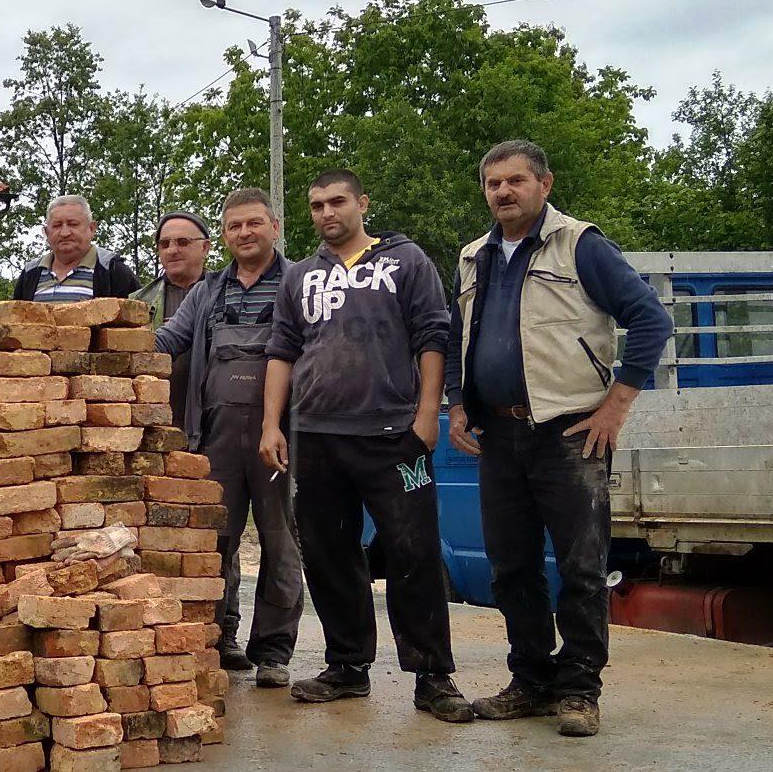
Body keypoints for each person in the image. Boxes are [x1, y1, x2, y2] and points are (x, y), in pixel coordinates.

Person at [446, 140, 670, 739]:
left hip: (569, 433)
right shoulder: (475, 257)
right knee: (510, 566)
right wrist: (459, 403)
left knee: (581, 567)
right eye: (493, 183)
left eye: (515, 181)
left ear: (545, 183)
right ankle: (532, 682)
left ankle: (579, 690)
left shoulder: (581, 245)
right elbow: (455, 334)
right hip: (498, 431)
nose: (503, 192)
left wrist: (615, 406)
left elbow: (651, 319)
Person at [259, 169, 471, 723]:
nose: (327, 213)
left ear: (362, 203)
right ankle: (348, 667)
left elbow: (433, 335)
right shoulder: (299, 276)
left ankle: (432, 676)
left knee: (413, 553)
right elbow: (281, 350)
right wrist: (271, 424)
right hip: (317, 436)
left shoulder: (405, 262)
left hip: (392, 436)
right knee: (329, 557)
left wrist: (428, 416)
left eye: (337, 202)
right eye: (316, 205)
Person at [155, 189, 303, 685]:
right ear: (224, 234)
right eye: (235, 226)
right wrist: (105, 336)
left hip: (279, 435)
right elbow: (169, 340)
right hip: (215, 433)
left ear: (274, 227)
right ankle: (213, 638)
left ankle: (275, 653)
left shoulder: (299, 284)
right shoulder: (207, 292)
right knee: (215, 540)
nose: (245, 233)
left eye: (254, 224)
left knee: (280, 540)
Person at [134, 210, 213, 427]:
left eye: (182, 242)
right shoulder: (136, 303)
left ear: (205, 247)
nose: (172, 250)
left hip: (213, 423)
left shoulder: (226, 294)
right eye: (164, 244)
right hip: (156, 423)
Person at [13, 195, 141, 301]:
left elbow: (140, 322)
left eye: (73, 224)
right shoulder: (30, 274)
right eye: (57, 225)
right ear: (46, 232)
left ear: (91, 229)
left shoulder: (113, 272)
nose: (65, 233)